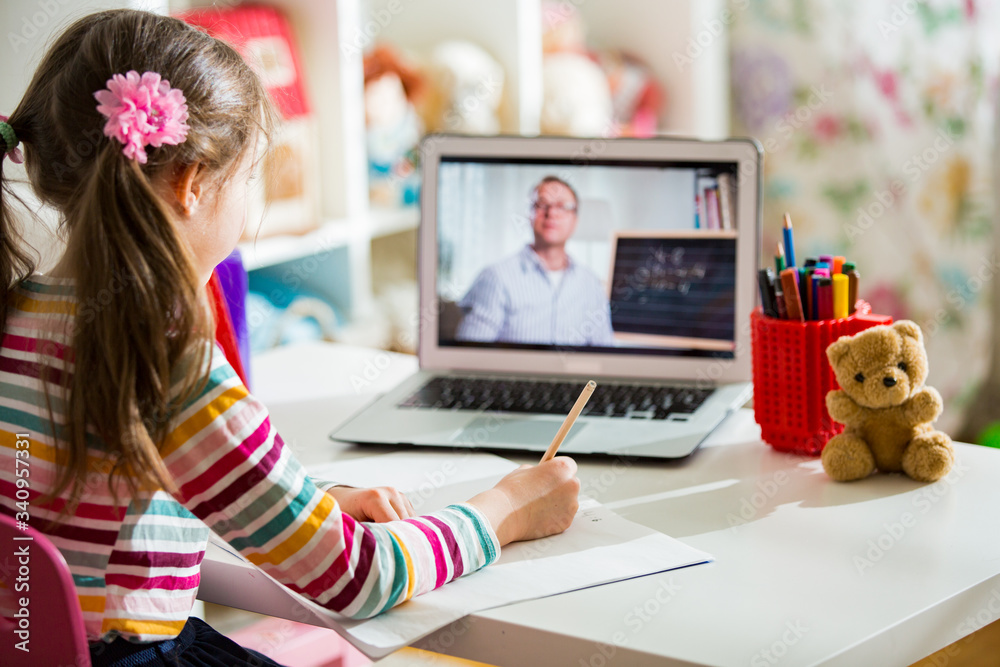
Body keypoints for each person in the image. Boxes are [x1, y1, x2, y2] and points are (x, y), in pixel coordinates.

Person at [0, 10, 579, 666]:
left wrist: (310, 502)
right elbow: (360, 576)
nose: (252, 201)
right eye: (252, 176)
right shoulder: (163, 359)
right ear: (192, 183)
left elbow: (106, 495)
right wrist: (505, 507)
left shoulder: (15, 314)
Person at [456, 176, 615, 346]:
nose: (551, 213)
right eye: (542, 205)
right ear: (530, 214)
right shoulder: (495, 277)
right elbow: (469, 355)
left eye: (562, 206)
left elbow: (604, 353)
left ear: (575, 220)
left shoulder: (591, 283)